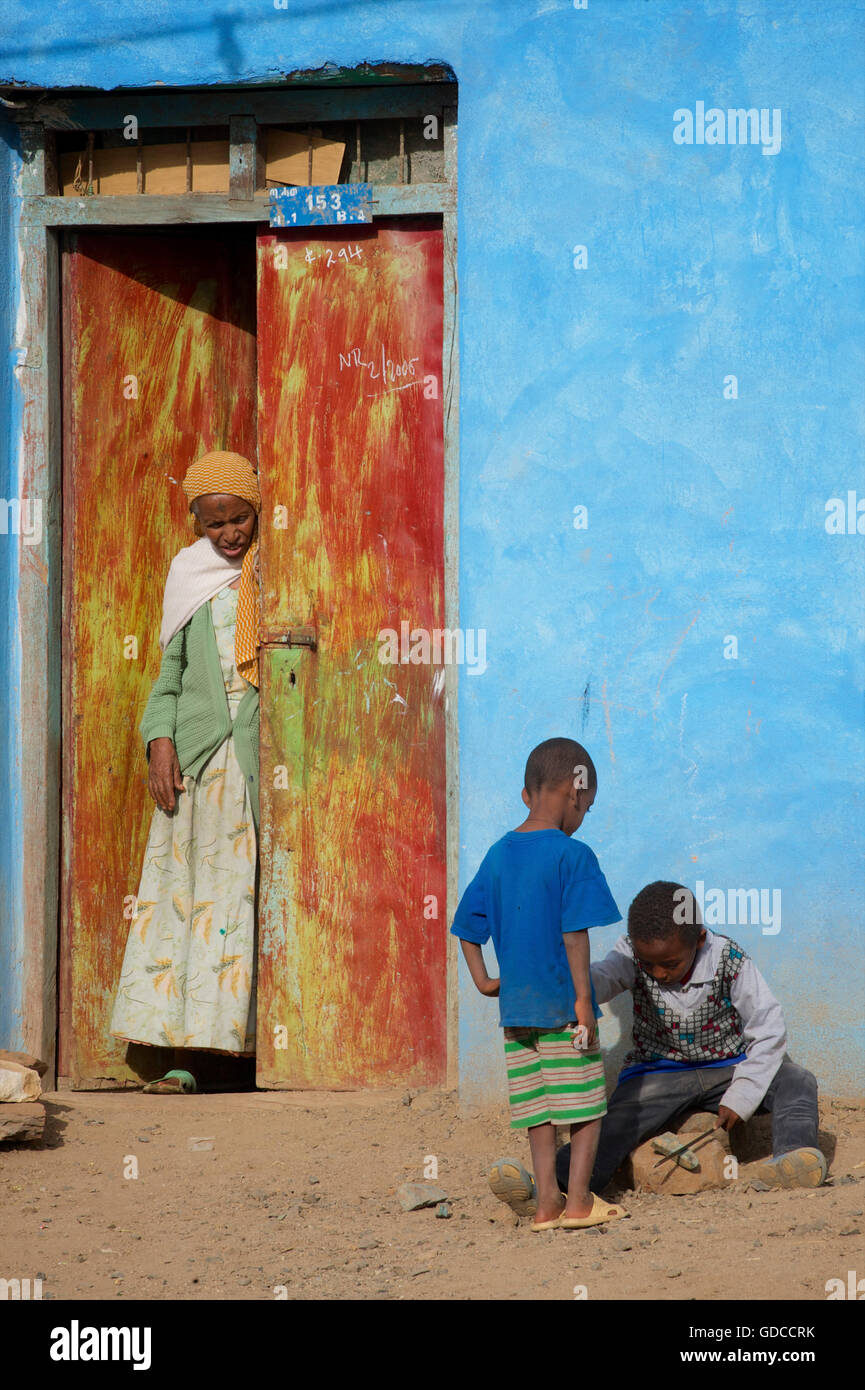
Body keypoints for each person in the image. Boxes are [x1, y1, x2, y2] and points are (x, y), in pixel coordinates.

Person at [109, 450, 263, 1094]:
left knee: (248, 903)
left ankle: (251, 1055)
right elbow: (168, 681)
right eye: (215, 523)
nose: (229, 534)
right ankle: (187, 1059)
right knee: (192, 905)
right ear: (198, 524)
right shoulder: (190, 577)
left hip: (259, 758)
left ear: (256, 510)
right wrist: (159, 741)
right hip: (200, 763)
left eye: (239, 519)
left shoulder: (275, 570)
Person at [451, 737, 628, 1230]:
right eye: (587, 806)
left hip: (516, 1012)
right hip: (563, 1008)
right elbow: (575, 935)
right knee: (587, 1107)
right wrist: (584, 1003)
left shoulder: (498, 854)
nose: (583, 816)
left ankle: (546, 1202)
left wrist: (486, 981)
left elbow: (466, 926)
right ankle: (580, 1203)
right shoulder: (573, 856)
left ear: (528, 792)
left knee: (538, 1109)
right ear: (575, 792)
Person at [552, 880, 827, 1194]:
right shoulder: (629, 954)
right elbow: (601, 978)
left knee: (797, 1080)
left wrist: (743, 1094)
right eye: (648, 965)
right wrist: (568, 981)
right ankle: (558, 1183)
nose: (658, 974)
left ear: (698, 940)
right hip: (658, 1073)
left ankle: (795, 1158)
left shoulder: (728, 959)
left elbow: (768, 1027)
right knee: (616, 1121)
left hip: (729, 1068)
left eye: (670, 964)